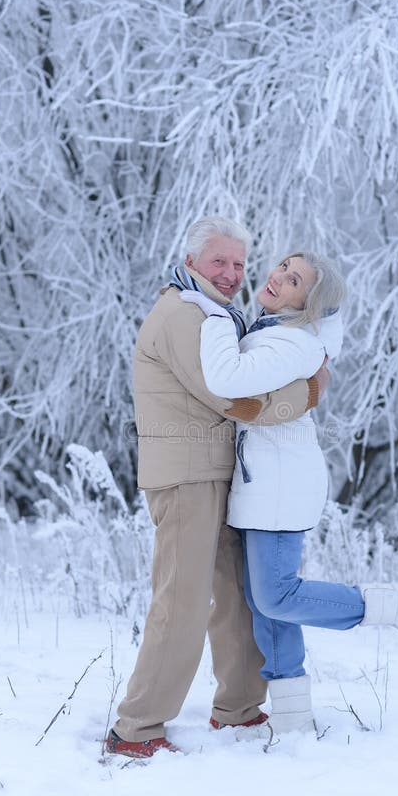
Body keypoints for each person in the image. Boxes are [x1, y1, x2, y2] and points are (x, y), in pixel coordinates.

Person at [181, 250, 398, 734]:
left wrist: (213, 314)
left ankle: (390, 603)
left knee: (276, 597)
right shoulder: (276, 332)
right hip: (263, 483)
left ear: (308, 305)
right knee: (265, 605)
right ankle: (293, 718)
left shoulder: (295, 343)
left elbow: (225, 379)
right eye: (283, 266)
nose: (278, 276)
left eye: (294, 280)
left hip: (279, 486)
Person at [106, 218, 329, 759]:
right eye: (218, 262)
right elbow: (228, 397)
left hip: (216, 472)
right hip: (186, 475)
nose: (231, 273)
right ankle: (137, 728)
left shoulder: (212, 312)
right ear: (191, 262)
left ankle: (239, 708)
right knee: (181, 601)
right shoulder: (185, 314)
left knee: (236, 597)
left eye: (238, 264)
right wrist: (307, 393)